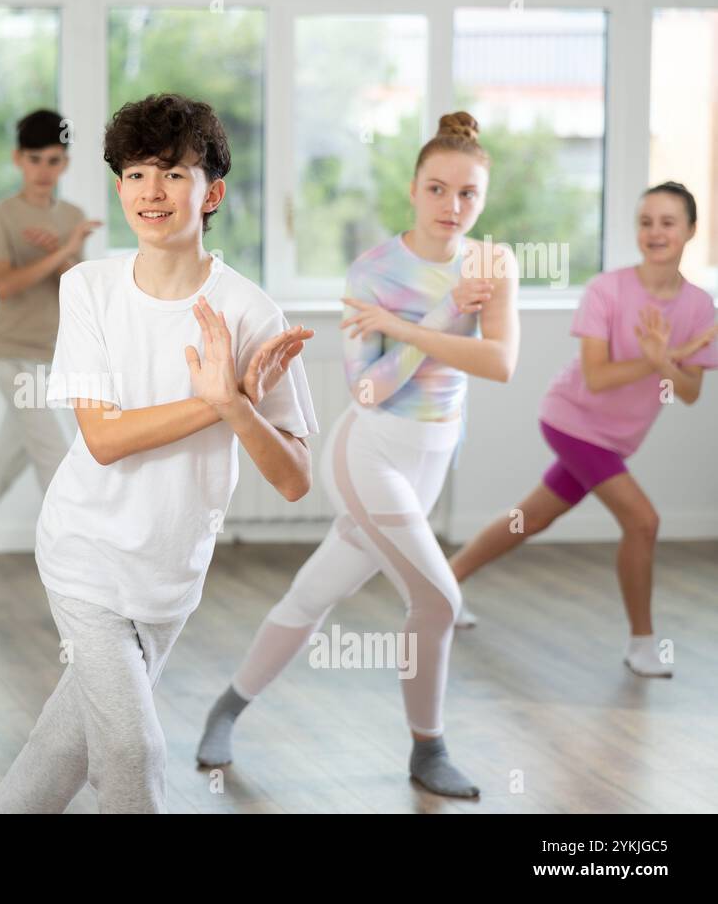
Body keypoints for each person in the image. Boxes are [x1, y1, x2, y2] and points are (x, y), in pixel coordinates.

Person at [0, 94, 317, 814]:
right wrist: (221, 400)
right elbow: (102, 438)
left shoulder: (252, 312)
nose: (151, 192)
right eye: (134, 175)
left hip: (170, 573)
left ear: (213, 192)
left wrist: (239, 409)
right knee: (136, 754)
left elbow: (294, 480)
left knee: (60, 754)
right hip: (84, 552)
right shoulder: (90, 289)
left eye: (171, 173)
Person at [197, 112, 520, 800]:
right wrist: (438, 318)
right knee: (437, 599)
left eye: (469, 195)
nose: (452, 208)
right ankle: (428, 749)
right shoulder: (373, 269)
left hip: (431, 459)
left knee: (314, 592)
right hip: (366, 454)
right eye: (437, 190)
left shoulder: (492, 264)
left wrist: (404, 329)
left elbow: (500, 362)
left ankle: (226, 707)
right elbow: (369, 390)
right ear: (412, 188)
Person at [451, 181, 718, 678]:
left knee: (529, 518)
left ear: (690, 231)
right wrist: (659, 358)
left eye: (667, 222)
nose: (654, 232)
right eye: (645, 222)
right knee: (643, 522)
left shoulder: (699, 308)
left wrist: (671, 363)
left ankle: (442, 586)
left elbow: (688, 391)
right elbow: (597, 377)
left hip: (618, 440)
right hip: (571, 420)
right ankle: (642, 643)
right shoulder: (607, 290)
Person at [0, 109, 100, 595]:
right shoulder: (1, 215)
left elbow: (77, 294)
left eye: (54, 160)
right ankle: (84, 570)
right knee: (57, 453)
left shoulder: (71, 218)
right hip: (10, 354)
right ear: (17, 159)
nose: (44, 169)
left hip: (55, 359)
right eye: (34, 159)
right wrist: (58, 251)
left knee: (5, 462)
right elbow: (5, 285)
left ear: (65, 164)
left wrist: (66, 253)